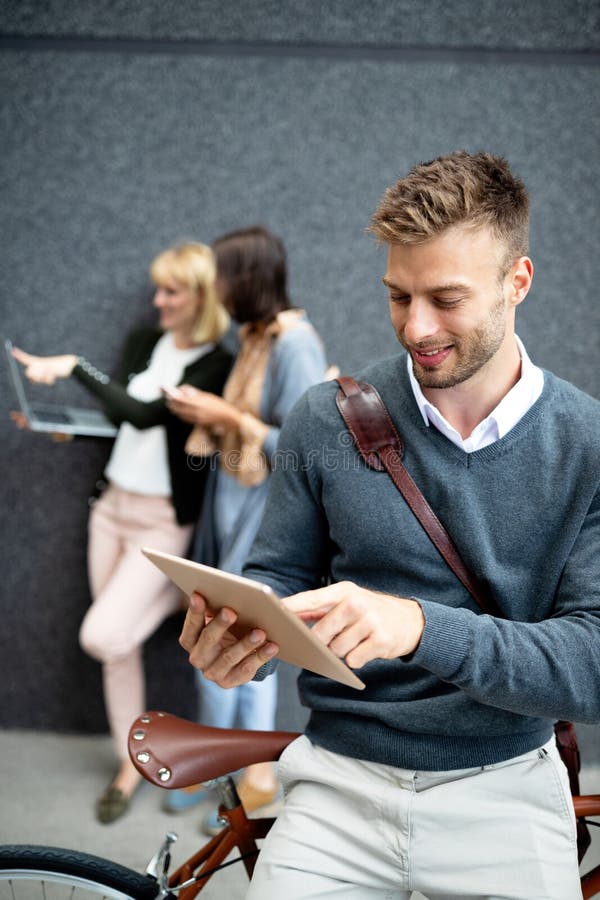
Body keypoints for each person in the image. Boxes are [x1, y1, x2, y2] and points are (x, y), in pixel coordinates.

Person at [178, 153, 600, 898]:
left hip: (505, 789)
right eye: (398, 297)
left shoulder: (586, 444)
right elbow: (279, 577)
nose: (417, 326)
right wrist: (242, 636)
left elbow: (591, 664)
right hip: (336, 783)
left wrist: (415, 625)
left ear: (518, 283)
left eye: (445, 298)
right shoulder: (323, 418)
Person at [12, 242, 233, 824]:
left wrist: (73, 367)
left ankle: (173, 594)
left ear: (201, 298)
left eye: (172, 291)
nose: (158, 301)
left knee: (102, 634)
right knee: (119, 649)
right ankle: (128, 766)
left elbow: (145, 416)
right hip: (110, 507)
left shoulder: (217, 362)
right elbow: (120, 420)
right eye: (158, 289)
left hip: (161, 520)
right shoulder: (145, 343)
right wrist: (69, 427)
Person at [165, 225, 329, 830]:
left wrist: (222, 414)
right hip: (232, 500)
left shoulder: (295, 343)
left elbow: (309, 449)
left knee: (251, 639)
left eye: (225, 277)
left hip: (265, 512)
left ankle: (257, 777)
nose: (219, 290)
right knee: (212, 629)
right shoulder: (255, 337)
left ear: (248, 279)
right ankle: (217, 768)